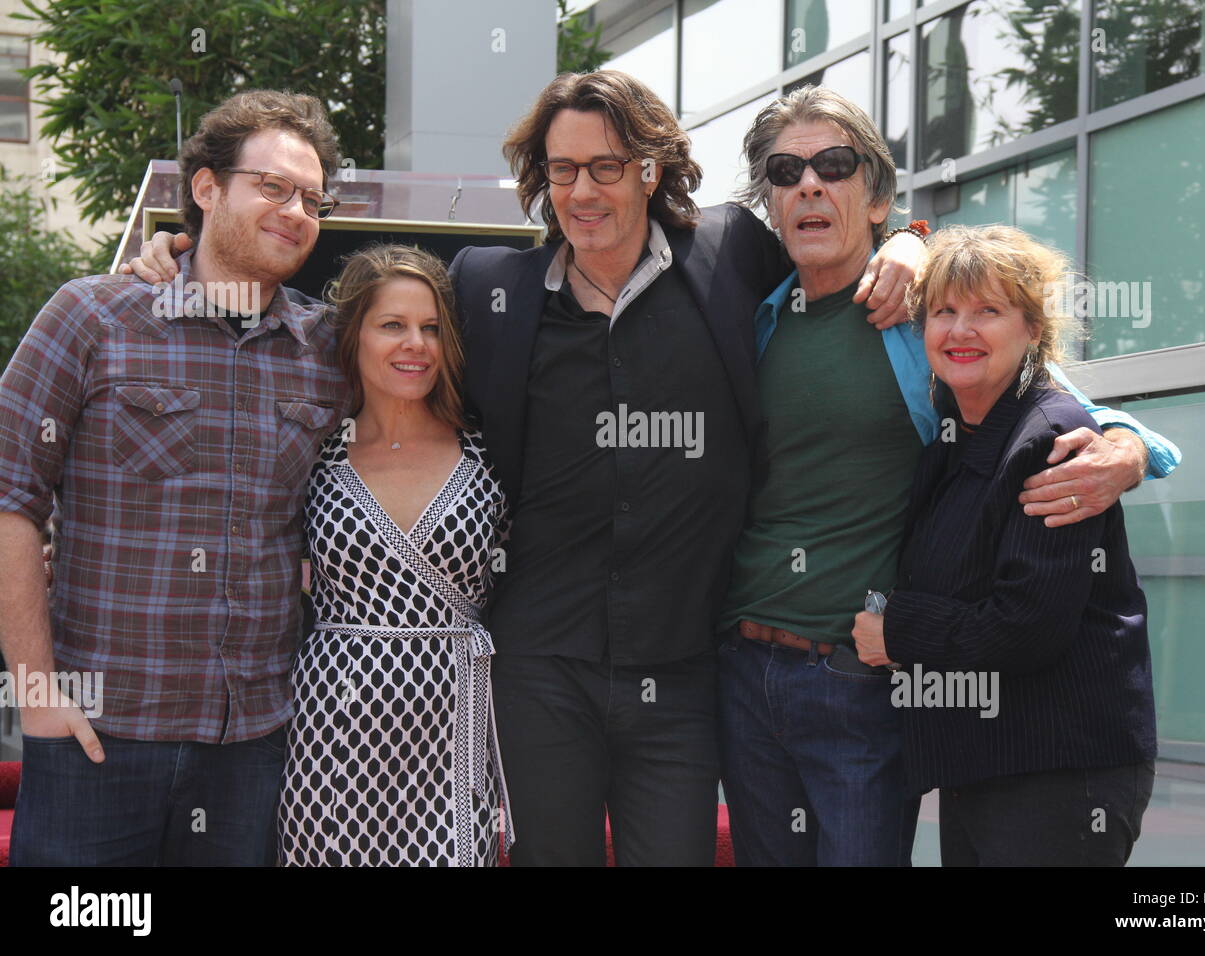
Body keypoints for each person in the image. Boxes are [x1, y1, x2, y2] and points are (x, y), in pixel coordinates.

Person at [127, 69, 931, 867]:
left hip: (682, 668)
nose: (583, 190)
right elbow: (372, 340)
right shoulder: (488, 287)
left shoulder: (727, 252)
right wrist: (186, 259)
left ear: (651, 171)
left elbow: (835, 240)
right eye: (563, 169)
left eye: (608, 167)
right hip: (538, 669)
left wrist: (911, 244)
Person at [715, 87, 1179, 866]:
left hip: (858, 678)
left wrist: (1129, 443)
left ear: (878, 196)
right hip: (744, 668)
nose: (809, 184)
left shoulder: (921, 321)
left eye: (834, 164)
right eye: (785, 170)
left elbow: (1050, 400)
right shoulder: (753, 318)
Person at [0, 90, 349, 865]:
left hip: (255, 744)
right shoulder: (91, 317)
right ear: (206, 188)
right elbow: (9, 497)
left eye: (312, 198)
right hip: (99, 738)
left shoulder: (327, 350)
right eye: (273, 186)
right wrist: (36, 692)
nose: (296, 210)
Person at [852, 224, 1158, 866]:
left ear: (1034, 330)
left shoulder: (1055, 440)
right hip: (990, 767)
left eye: (988, 311)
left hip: (1060, 774)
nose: (961, 330)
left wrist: (896, 630)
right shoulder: (956, 431)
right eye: (944, 312)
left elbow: (1026, 628)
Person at [279, 243, 510, 866]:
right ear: (353, 335)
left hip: (451, 726)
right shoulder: (313, 450)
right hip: (333, 726)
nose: (416, 344)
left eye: (431, 328)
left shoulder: (490, 452)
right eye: (393, 325)